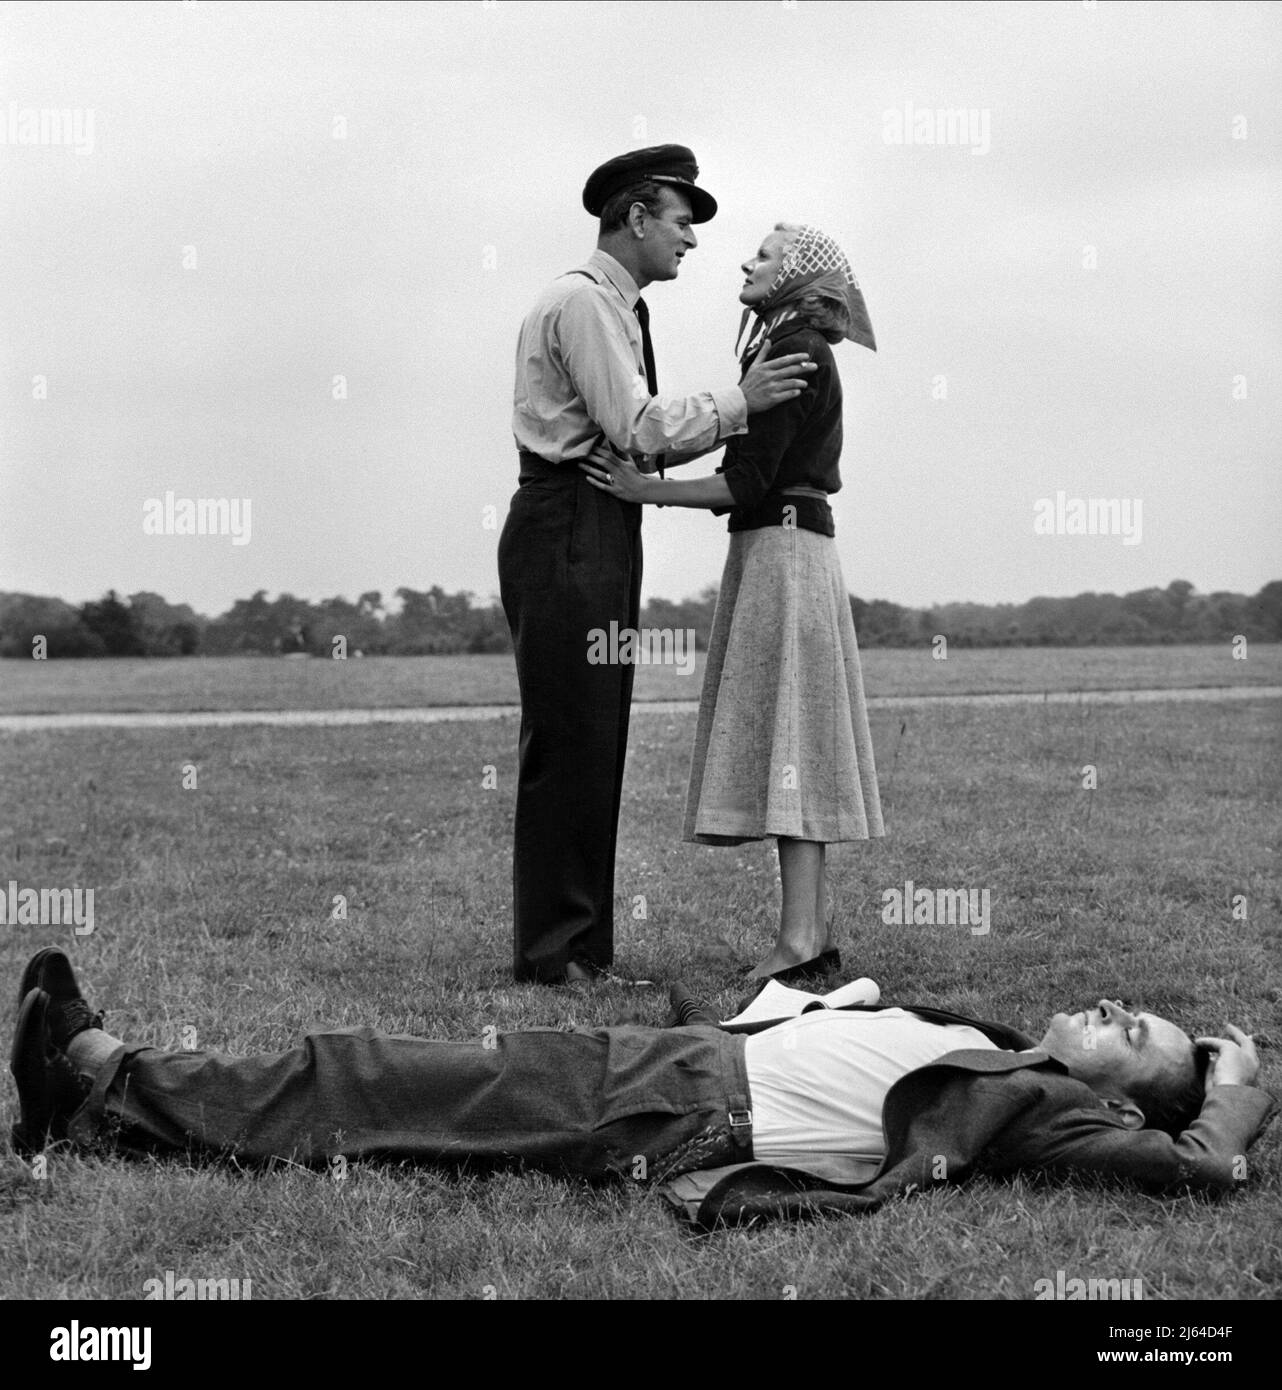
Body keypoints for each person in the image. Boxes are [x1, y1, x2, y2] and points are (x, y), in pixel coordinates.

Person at [11, 948, 1274, 1230]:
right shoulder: (1007, 1047)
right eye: (1124, 1005)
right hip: (674, 1067)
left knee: (379, 1077)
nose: (1113, 1010)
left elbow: (1202, 1169)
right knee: (406, 1074)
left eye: (1138, 1033)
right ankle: (111, 1078)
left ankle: (101, 1078)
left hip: (675, 1109)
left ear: (1129, 1096)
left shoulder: (1056, 1107)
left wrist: (1232, 1089)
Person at [501, 145, 820, 986]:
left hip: (599, 519)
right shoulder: (584, 303)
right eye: (681, 222)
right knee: (569, 735)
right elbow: (637, 424)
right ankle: (554, 952)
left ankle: (580, 949)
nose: (692, 240)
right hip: (569, 519)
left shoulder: (616, 306)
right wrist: (743, 402)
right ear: (635, 218)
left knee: (594, 734)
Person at [581, 223, 883, 982]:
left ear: (797, 275)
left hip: (784, 552)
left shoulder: (794, 349)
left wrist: (645, 488)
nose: (747, 262)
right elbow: (747, 463)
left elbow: (745, 483)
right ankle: (807, 934)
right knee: (795, 741)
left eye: (766, 255)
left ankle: (799, 941)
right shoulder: (785, 342)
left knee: (793, 743)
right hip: (781, 551)